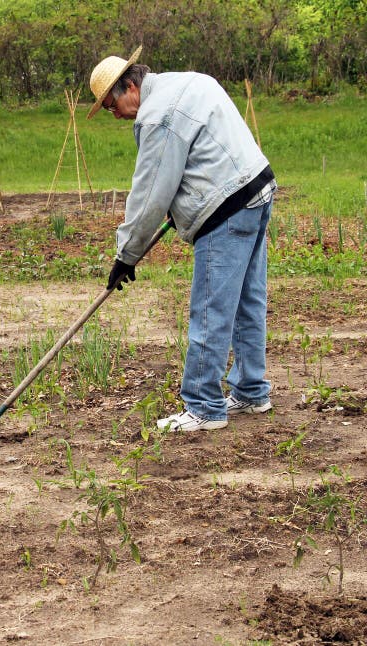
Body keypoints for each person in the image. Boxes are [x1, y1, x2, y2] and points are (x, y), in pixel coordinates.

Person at [87, 46, 276, 432]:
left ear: (130, 87)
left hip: (226, 211)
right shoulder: (190, 81)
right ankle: (251, 391)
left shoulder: (157, 117)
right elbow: (203, 154)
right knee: (246, 301)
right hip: (258, 191)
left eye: (111, 105)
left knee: (210, 308)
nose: (116, 114)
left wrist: (126, 255)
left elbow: (150, 194)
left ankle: (204, 406)